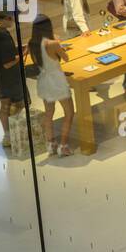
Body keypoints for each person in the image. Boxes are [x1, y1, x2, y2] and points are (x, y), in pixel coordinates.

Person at [29, 14, 73, 157]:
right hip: (57, 81)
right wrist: (57, 42)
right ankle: (64, 146)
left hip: (43, 80)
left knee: (49, 113)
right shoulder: (52, 43)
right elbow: (65, 57)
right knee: (69, 113)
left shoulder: (32, 43)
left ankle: (51, 144)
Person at [0, 10, 22, 147]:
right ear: (6, 18)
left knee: (4, 105)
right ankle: (16, 133)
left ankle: (8, 135)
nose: (13, 22)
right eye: (12, 19)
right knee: (17, 104)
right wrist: (21, 56)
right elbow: (7, 63)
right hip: (10, 77)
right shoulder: (3, 35)